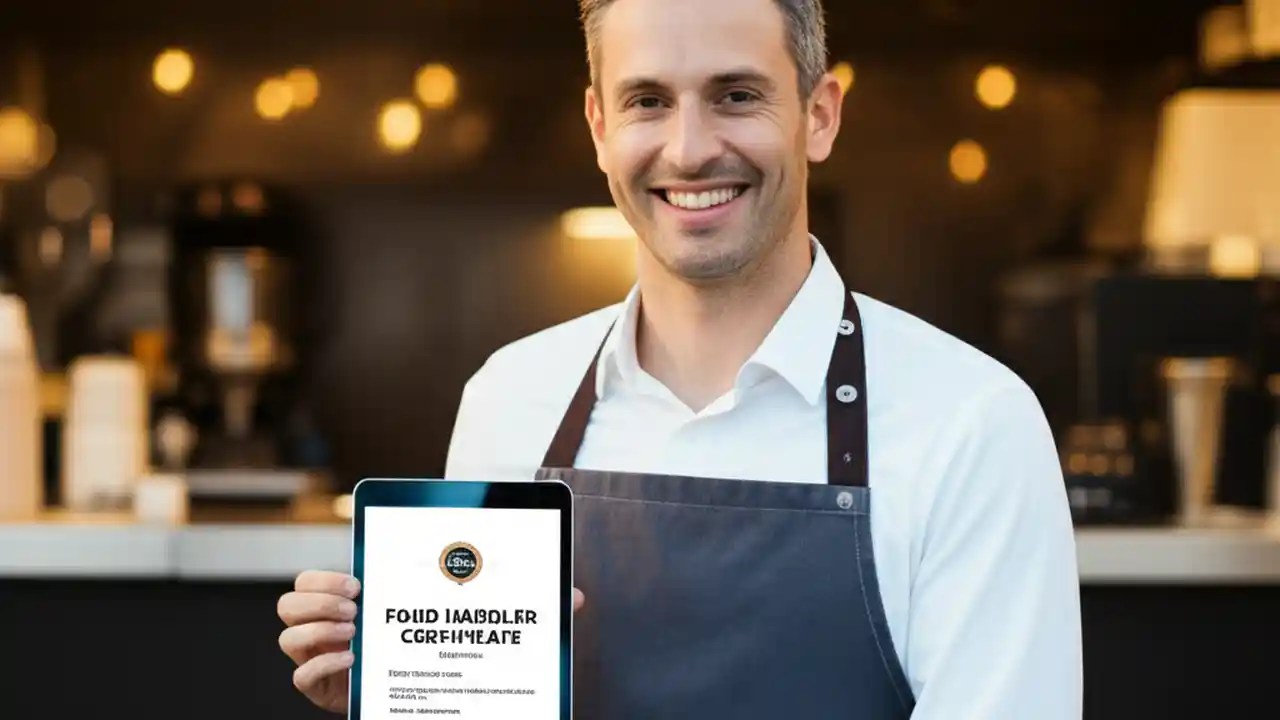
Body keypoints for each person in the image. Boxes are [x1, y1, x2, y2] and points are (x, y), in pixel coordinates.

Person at [276, 0, 1083, 716]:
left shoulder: (972, 422)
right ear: (600, 127)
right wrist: (408, 695)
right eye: (648, 101)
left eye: (736, 95)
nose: (690, 150)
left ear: (821, 113)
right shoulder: (510, 398)